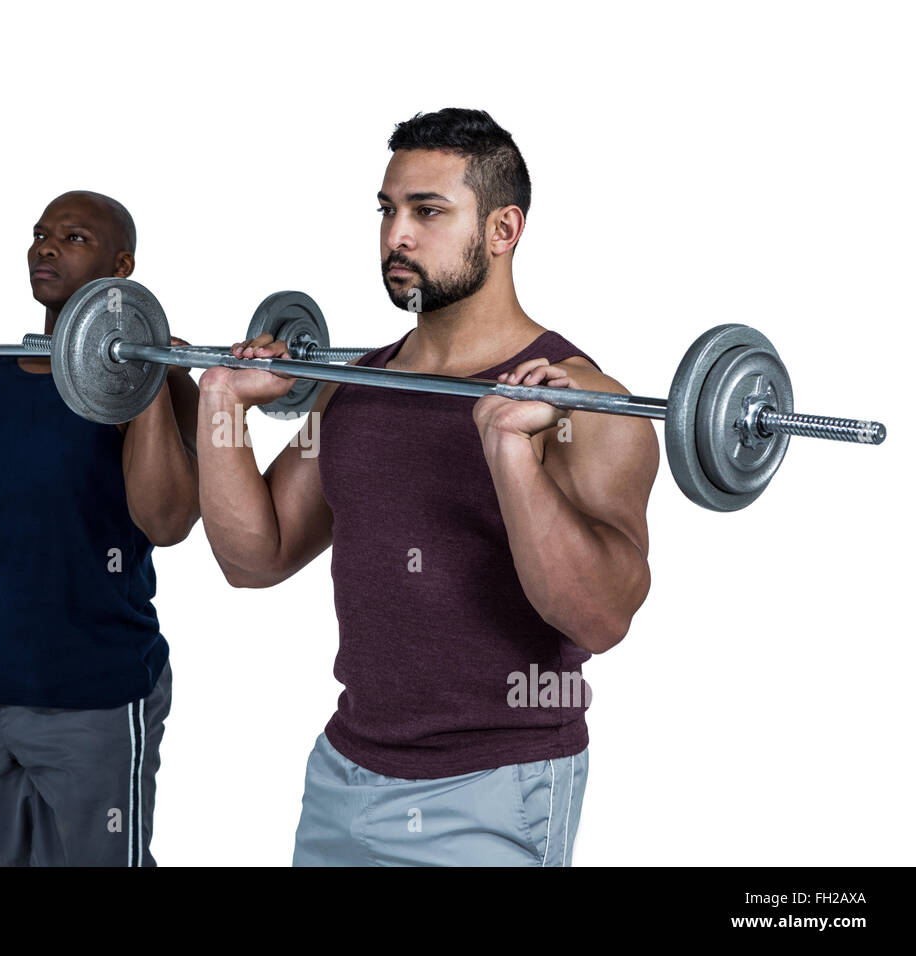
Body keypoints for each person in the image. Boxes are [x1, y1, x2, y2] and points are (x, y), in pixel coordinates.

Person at [196, 109, 658, 866]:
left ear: (504, 229)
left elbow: (602, 618)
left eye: (428, 212)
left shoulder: (581, 401)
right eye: (388, 210)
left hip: (493, 786)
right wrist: (222, 403)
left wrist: (510, 452)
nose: (395, 236)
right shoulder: (353, 387)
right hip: (343, 773)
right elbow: (257, 557)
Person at [0, 190, 199, 866]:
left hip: (98, 698)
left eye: (74, 237)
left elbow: (167, 521)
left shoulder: (145, 384)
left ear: (121, 265)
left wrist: (146, 374)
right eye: (41, 233)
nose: (46, 247)